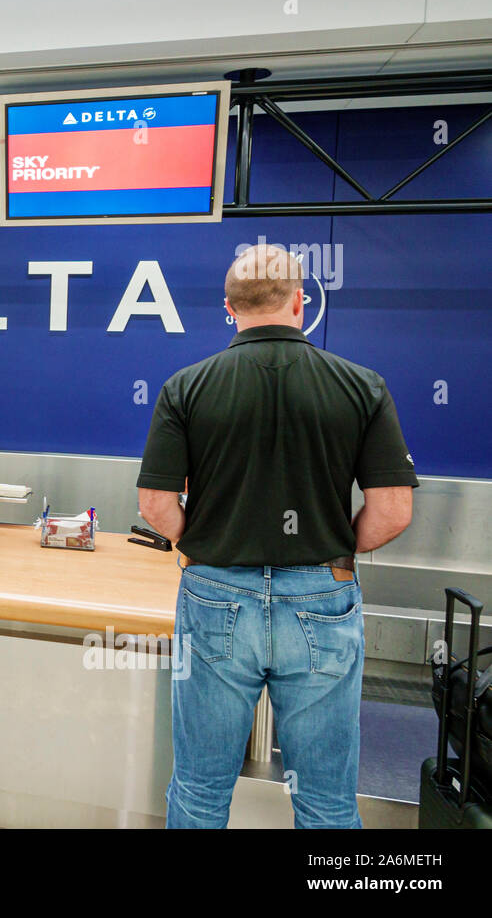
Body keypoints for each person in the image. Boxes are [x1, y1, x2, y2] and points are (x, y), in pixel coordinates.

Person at [137, 244, 417, 829]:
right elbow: (392, 512)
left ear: (229, 309)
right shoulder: (362, 386)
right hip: (323, 597)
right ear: (299, 301)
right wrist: (331, 547)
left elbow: (156, 506)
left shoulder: (184, 387)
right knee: (326, 798)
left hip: (215, 596)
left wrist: (206, 540)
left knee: (198, 788)